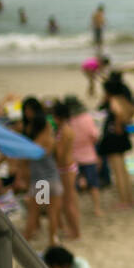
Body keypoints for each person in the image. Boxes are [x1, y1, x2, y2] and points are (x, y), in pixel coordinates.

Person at [20, 97, 59, 247]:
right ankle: (51, 240)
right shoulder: (49, 139)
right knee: (51, 212)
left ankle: (28, 238)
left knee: (34, 211)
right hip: (52, 177)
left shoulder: (34, 143)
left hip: (42, 180)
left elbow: (26, 160)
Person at [97, 75, 134, 209]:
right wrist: (124, 122)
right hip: (122, 136)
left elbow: (118, 113)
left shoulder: (114, 100)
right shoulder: (125, 99)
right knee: (123, 170)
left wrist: (118, 124)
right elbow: (132, 111)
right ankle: (129, 198)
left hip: (113, 137)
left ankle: (124, 201)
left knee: (118, 170)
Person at [68, 98, 104, 217]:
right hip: (88, 155)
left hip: (73, 157)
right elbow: (94, 136)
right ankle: (97, 208)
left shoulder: (68, 122)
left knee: (74, 186)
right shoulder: (87, 118)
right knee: (94, 184)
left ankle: (76, 210)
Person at [52, 101, 82, 240]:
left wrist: (52, 146)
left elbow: (61, 154)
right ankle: (72, 230)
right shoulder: (65, 129)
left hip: (65, 169)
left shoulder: (64, 131)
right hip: (67, 168)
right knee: (69, 202)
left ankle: (75, 232)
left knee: (68, 203)